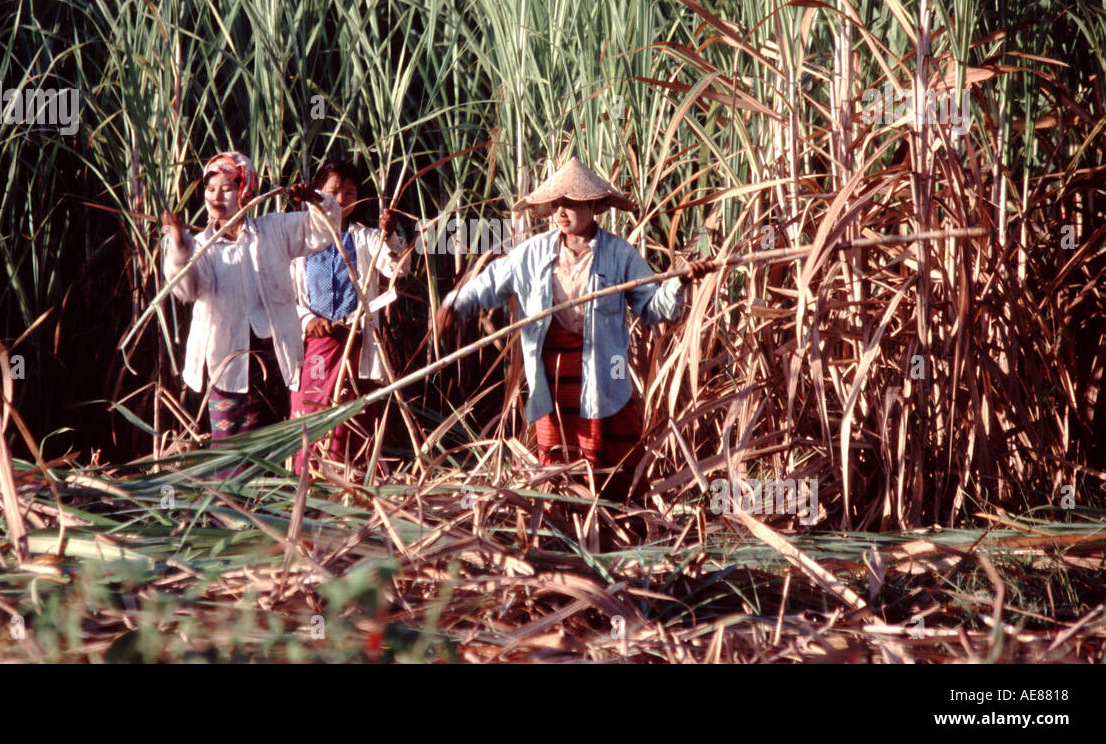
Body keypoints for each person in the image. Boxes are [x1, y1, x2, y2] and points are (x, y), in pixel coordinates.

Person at [437, 157, 707, 499]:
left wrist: (680, 282)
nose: (562, 211)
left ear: (593, 206)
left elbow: (654, 308)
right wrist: (454, 303)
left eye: (572, 203)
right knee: (558, 458)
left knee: (617, 451)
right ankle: (564, 525)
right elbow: (491, 283)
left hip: (605, 372)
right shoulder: (533, 253)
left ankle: (621, 522)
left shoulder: (619, 255)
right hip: (551, 375)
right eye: (557, 203)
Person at [160, 152, 341, 468]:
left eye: (227, 187)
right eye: (211, 187)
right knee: (230, 452)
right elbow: (186, 290)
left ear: (246, 191)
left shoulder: (273, 230)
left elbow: (323, 231)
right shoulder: (200, 244)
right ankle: (227, 513)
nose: (216, 196)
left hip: (271, 356)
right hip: (225, 360)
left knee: (271, 447)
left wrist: (315, 199)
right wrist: (177, 242)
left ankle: (268, 514)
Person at [288, 159, 408, 475]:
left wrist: (391, 236)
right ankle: (308, 490)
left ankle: (349, 490)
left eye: (350, 192)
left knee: (351, 418)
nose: (341, 199)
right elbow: (283, 295)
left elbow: (398, 268)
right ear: (317, 194)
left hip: (354, 345)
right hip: (314, 347)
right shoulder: (299, 239)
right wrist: (307, 321)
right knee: (310, 419)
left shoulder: (366, 238)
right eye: (333, 191)